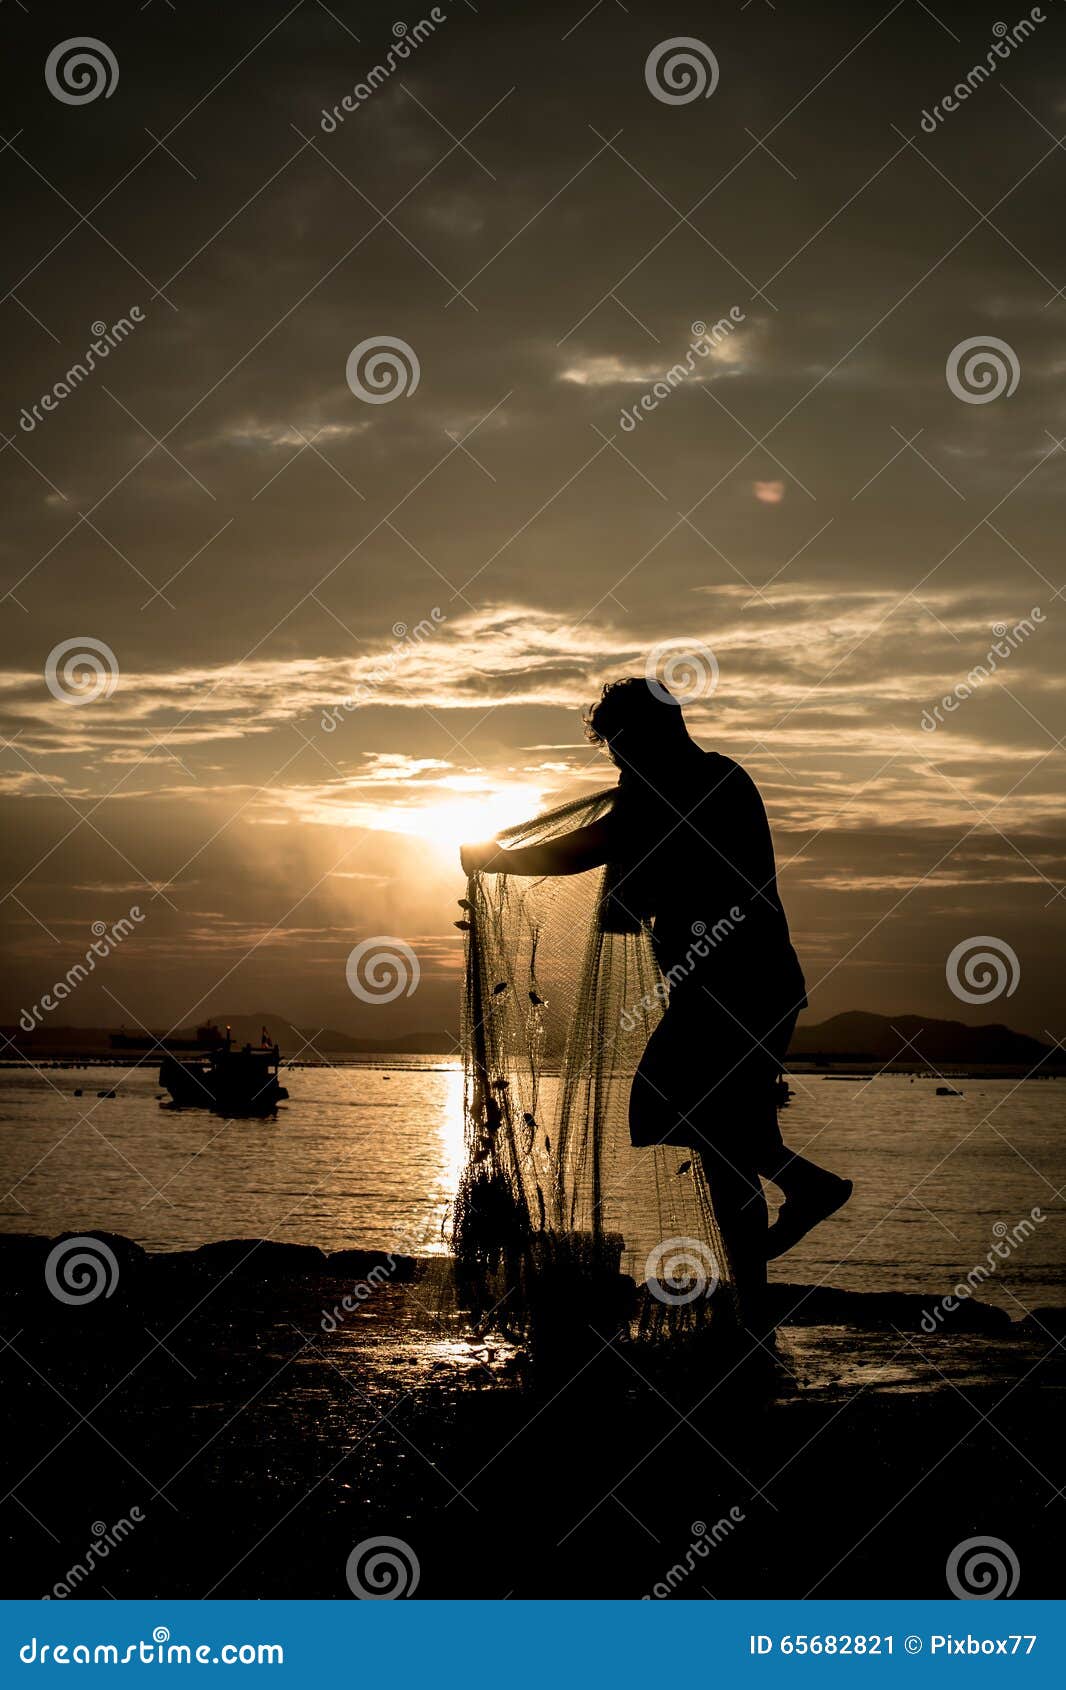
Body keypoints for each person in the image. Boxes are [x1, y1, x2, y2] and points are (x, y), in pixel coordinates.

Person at [460, 676, 851, 1330]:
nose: (617, 760)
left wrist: (499, 859)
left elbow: (587, 847)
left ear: (653, 733)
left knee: (667, 1105)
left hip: (734, 991)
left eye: (621, 745)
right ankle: (752, 1311)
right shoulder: (717, 779)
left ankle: (808, 1184)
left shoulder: (680, 788)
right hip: (751, 987)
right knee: (727, 1154)